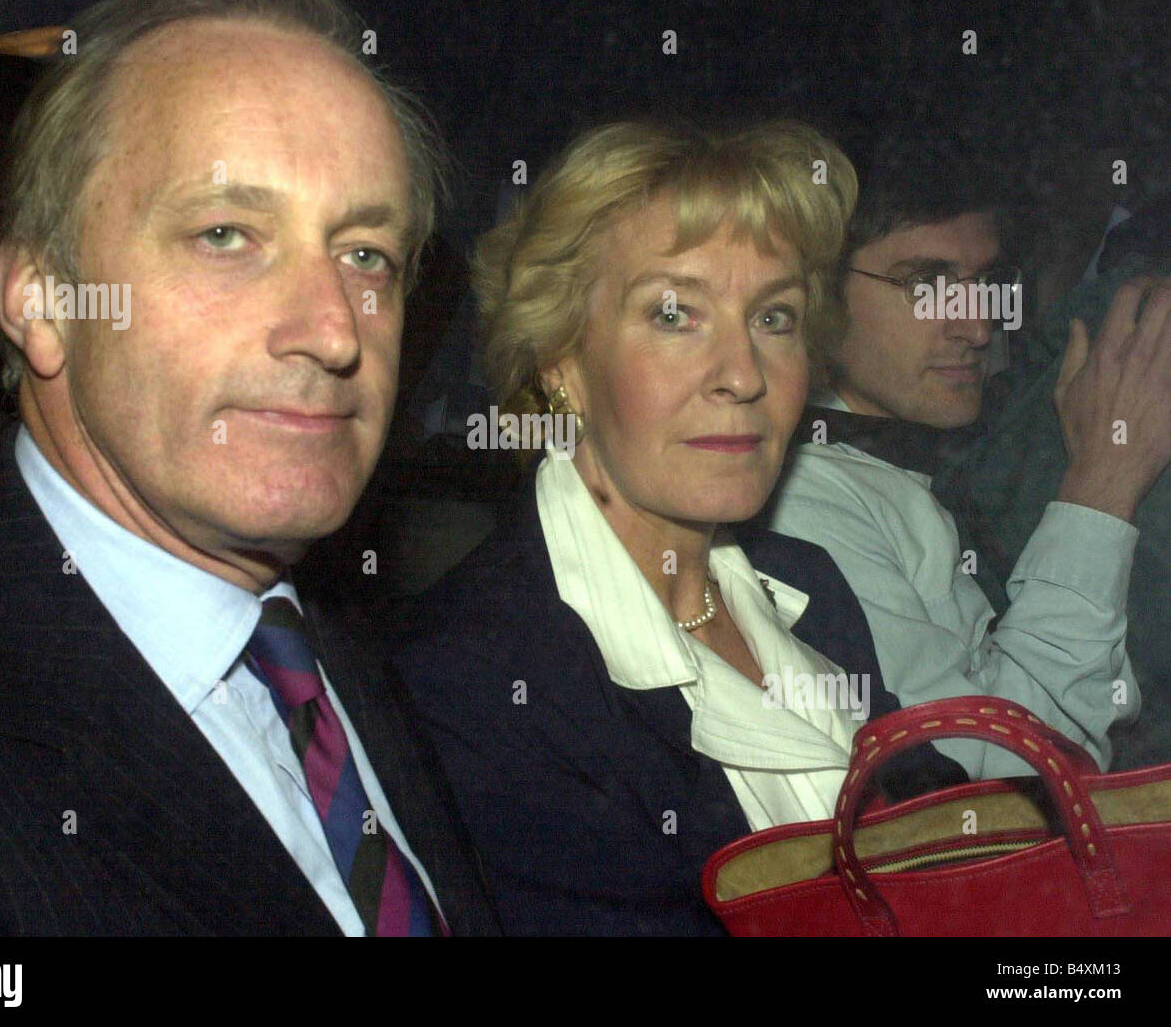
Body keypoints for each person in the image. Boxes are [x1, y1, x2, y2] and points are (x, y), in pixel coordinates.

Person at [0, 0, 498, 937]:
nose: (335, 330)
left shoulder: (325, 645)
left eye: (366, 252)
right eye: (225, 234)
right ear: (42, 299)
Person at [391, 119, 966, 936]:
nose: (741, 375)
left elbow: (941, 842)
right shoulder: (477, 680)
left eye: (774, 318)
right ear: (560, 362)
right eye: (674, 315)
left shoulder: (808, 587)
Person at [764, 137, 1171, 779]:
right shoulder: (801, 508)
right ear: (817, 293)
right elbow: (998, 784)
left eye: (984, 284)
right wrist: (1101, 490)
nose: (978, 327)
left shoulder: (956, 437)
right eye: (925, 285)